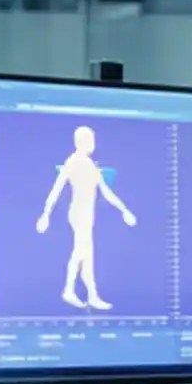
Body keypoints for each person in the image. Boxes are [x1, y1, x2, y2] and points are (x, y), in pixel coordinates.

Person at [36, 126, 137, 310]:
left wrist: (124, 210)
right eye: (90, 140)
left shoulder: (91, 166)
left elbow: (106, 192)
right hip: (78, 213)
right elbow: (56, 189)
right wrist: (46, 214)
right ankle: (68, 290)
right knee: (81, 251)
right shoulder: (72, 162)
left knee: (88, 258)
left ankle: (92, 296)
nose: (93, 144)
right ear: (82, 142)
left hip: (88, 215)